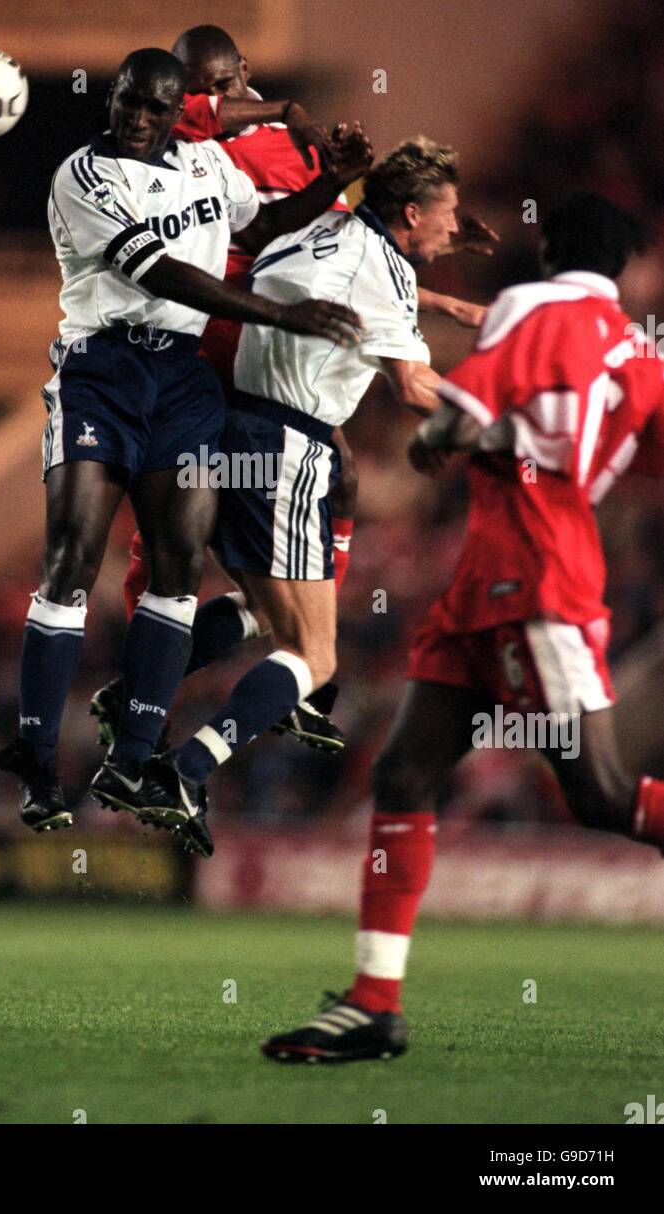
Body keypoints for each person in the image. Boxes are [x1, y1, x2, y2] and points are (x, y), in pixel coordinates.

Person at [262, 192, 664, 1065]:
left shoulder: (526, 303)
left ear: (550, 247)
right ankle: (373, 1006)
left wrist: (439, 431)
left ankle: (374, 1005)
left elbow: (470, 401)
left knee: (598, 794)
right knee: (405, 770)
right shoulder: (639, 355)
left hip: (536, 581)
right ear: (624, 269)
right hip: (498, 579)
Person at [0, 46, 371, 832]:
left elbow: (264, 221)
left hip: (183, 385)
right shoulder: (82, 176)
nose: (135, 118)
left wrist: (329, 183)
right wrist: (273, 314)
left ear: (177, 115)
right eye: (126, 101)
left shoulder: (206, 165)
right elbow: (156, 270)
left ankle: (132, 759)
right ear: (115, 99)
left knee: (177, 569)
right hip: (103, 371)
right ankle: (36, 764)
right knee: (70, 560)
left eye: (152, 108)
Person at [95, 137, 487, 855]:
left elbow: (337, 286)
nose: (454, 228)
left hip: (227, 429)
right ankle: (185, 770)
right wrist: (498, 421)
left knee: (261, 613)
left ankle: (134, 693)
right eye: (450, 215)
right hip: (288, 449)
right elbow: (411, 388)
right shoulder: (386, 269)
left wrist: (438, 302)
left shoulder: (314, 225)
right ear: (409, 212)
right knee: (316, 656)